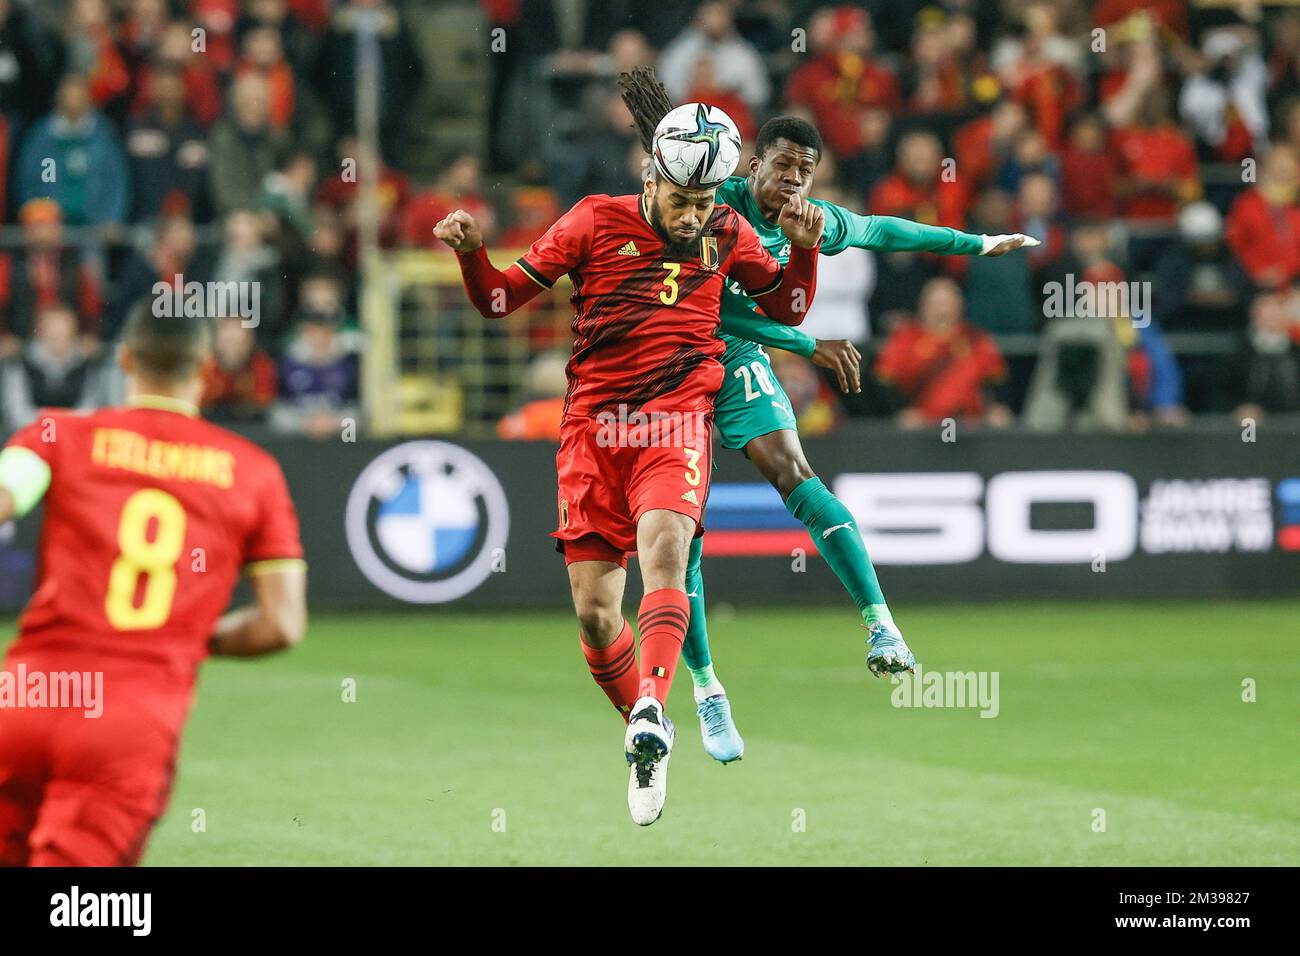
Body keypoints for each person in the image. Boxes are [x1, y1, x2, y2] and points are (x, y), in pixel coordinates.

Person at [617, 66, 1038, 762]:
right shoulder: (709, 206)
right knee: (680, 538)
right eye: (782, 167)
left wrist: (978, 244)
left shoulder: (811, 221)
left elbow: (888, 232)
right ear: (754, 165)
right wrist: (806, 344)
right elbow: (709, 307)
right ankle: (707, 687)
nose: (793, 182)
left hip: (740, 359)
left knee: (795, 471)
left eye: (805, 172)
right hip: (672, 361)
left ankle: (881, 623)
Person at [433, 103, 824, 826]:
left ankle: (652, 701)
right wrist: (471, 252)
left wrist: (802, 249)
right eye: (681, 200)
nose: (692, 215)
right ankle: (648, 730)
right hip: (593, 429)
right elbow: (499, 299)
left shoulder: (726, 229)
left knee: (667, 552)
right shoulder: (592, 220)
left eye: (705, 201)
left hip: (676, 422)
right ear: (650, 178)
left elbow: (789, 309)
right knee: (593, 613)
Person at [0, 305, 307, 866]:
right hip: (129, 715)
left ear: (124, 361)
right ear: (208, 371)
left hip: (22, 698)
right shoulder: (252, 470)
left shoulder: (58, 434)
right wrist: (191, 639)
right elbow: (281, 624)